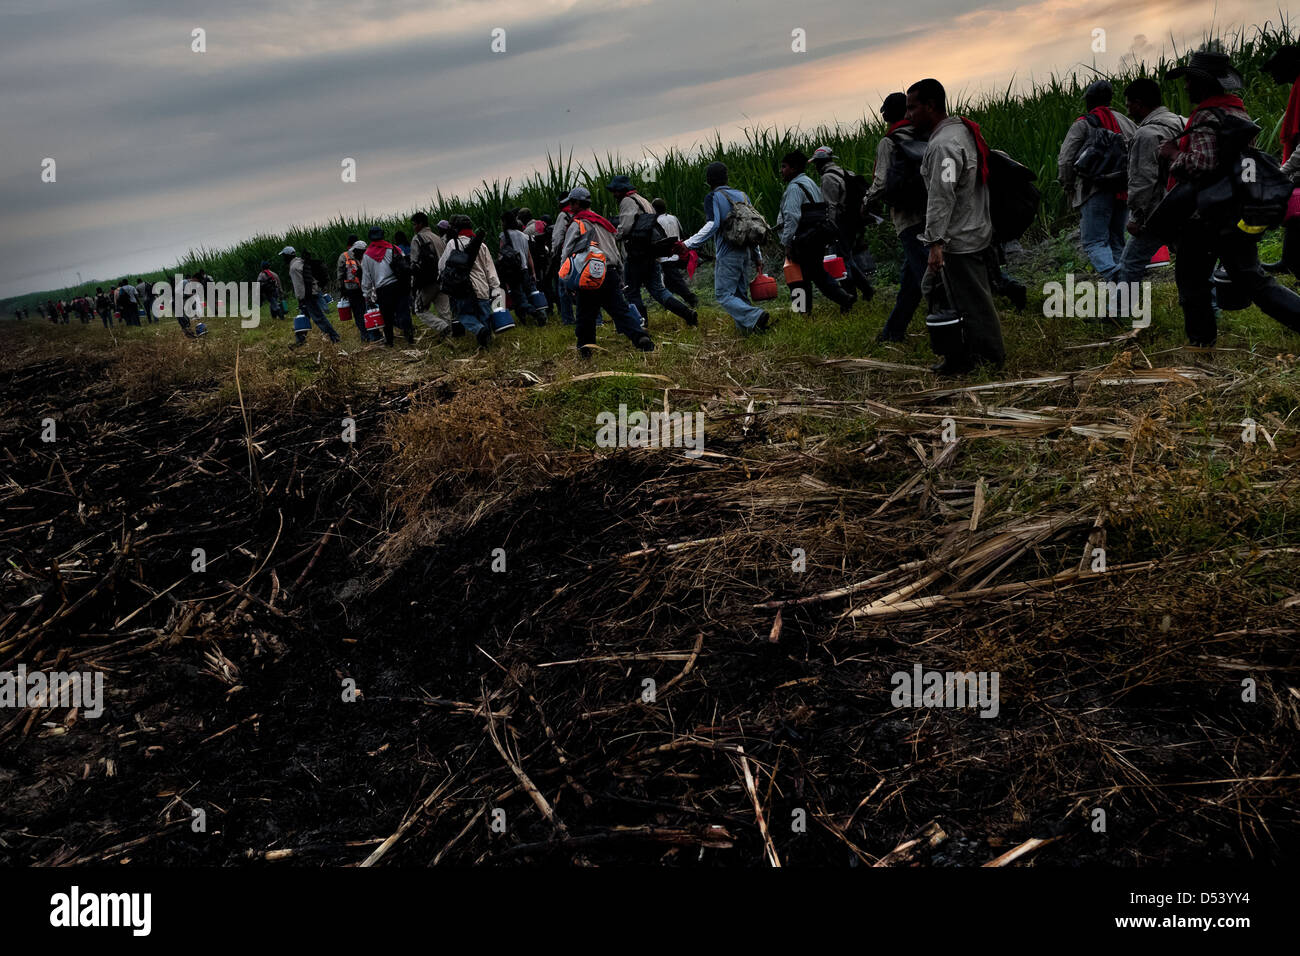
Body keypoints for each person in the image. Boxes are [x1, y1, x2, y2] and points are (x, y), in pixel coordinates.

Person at [1164, 50, 1300, 346]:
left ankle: (1201, 344)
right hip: (1237, 209)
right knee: (1256, 281)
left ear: (1204, 83)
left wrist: (1173, 155)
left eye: (1189, 80)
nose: (1185, 86)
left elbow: (1203, 165)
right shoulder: (1237, 111)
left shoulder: (1205, 116)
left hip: (1205, 215)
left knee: (1192, 281)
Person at [907, 77, 1006, 374]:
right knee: (936, 291)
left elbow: (941, 196)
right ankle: (958, 355)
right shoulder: (962, 131)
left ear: (931, 106)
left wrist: (935, 243)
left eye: (913, 108)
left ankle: (989, 359)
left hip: (957, 239)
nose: (908, 115)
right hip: (972, 229)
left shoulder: (942, 145)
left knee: (972, 301)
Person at [558, 186, 655, 358]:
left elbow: (566, 252)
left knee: (585, 314)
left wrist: (564, 277)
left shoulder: (578, 223)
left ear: (577, 203)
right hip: (609, 271)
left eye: (571, 203)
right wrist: (618, 272)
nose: (570, 206)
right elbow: (615, 251)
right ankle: (640, 338)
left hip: (588, 274)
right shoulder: (603, 222)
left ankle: (585, 349)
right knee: (620, 310)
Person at [1058, 80, 1138, 280]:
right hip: (1123, 189)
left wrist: (1068, 186)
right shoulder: (1126, 122)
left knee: (1094, 242)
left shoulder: (1083, 123)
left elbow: (1066, 159)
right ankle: (1124, 293)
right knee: (1117, 242)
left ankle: (1115, 275)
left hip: (1094, 190)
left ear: (1089, 100)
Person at [865, 92, 929, 342]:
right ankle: (893, 332)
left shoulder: (889, 141)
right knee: (911, 281)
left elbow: (880, 183)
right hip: (931, 212)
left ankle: (950, 325)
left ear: (885, 115)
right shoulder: (923, 134)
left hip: (907, 219)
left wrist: (866, 201)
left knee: (927, 278)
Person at [681, 161, 771, 333]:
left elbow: (713, 225)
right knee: (740, 295)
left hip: (728, 254)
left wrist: (688, 244)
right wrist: (757, 257)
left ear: (708, 180)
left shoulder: (713, 197)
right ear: (726, 177)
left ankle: (755, 316)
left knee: (723, 295)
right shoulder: (743, 196)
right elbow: (751, 228)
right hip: (745, 252)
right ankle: (751, 333)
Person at [1115, 78, 1186, 285]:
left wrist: (1136, 218)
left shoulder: (1146, 134)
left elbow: (1143, 181)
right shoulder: (1182, 122)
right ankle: (1212, 310)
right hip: (1187, 205)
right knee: (1193, 264)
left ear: (1139, 103)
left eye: (1129, 106)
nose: (1128, 112)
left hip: (1159, 212)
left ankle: (1119, 311)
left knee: (1131, 262)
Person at [607, 174, 698, 328]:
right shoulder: (643, 200)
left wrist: (615, 234)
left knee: (632, 291)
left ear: (621, 190)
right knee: (658, 290)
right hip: (651, 253)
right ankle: (687, 313)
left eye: (615, 191)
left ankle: (641, 324)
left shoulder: (627, 201)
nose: (614, 194)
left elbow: (626, 227)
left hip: (636, 255)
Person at [777, 150, 857, 314]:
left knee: (798, 277)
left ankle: (802, 310)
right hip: (816, 235)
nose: (781, 171)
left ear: (793, 169)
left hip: (803, 238)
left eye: (784, 167)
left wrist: (787, 243)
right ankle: (842, 298)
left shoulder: (794, 188)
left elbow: (792, 216)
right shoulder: (809, 182)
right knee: (816, 273)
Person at [811, 145, 875, 301]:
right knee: (848, 257)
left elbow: (830, 206)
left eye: (815, 164)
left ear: (819, 163)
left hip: (842, 224)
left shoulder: (827, 178)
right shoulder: (846, 173)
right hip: (855, 221)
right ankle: (867, 289)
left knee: (842, 259)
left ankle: (850, 294)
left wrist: (829, 228)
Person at [437, 214, 505, 349]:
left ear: (456, 228)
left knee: (463, 314)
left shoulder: (453, 243)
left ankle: (479, 330)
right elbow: (490, 269)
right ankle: (486, 344)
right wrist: (495, 287)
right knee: (484, 316)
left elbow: (441, 265)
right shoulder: (482, 245)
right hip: (482, 286)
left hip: (463, 288)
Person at [360, 227, 414, 347]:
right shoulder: (394, 248)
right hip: (399, 285)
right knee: (404, 312)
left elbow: (366, 278)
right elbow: (405, 265)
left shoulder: (367, 256)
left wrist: (367, 294)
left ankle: (390, 341)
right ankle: (409, 337)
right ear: (383, 235)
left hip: (383, 289)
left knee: (387, 317)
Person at [282, 245, 341, 346]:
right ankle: (300, 340)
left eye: (283, 256)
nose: (283, 258)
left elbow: (299, 286)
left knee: (319, 318)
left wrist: (301, 299)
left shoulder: (293, 268)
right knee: (302, 317)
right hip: (313, 292)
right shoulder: (300, 261)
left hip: (307, 296)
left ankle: (334, 336)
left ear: (287, 256)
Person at [498, 210, 547, 326]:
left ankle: (535, 314)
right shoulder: (523, 235)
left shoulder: (504, 236)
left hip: (512, 271)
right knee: (528, 294)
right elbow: (528, 255)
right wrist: (533, 272)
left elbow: (501, 255)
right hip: (524, 270)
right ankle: (529, 317)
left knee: (518, 298)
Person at [409, 212, 453, 336]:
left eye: (414, 224)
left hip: (428, 280)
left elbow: (414, 263)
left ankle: (442, 327)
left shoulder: (418, 238)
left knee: (420, 309)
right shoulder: (437, 237)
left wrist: (414, 284)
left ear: (420, 224)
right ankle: (449, 333)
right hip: (443, 278)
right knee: (444, 310)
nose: (414, 227)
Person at [652, 197, 698, 308]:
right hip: (676, 254)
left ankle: (691, 299)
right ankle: (669, 303)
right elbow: (681, 234)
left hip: (665, 257)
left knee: (676, 280)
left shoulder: (655, 221)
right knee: (670, 282)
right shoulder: (673, 218)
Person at [339, 240, 376, 341]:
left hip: (363, 289)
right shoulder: (344, 257)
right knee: (358, 313)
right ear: (356, 250)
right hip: (351, 290)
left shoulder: (363, 257)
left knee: (366, 311)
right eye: (361, 251)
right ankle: (365, 335)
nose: (363, 253)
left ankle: (369, 334)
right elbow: (340, 274)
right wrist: (342, 290)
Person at [551, 192, 578, 326]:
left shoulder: (563, 215)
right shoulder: (580, 213)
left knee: (563, 288)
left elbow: (557, 238)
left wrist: (554, 253)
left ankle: (568, 319)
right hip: (582, 255)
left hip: (567, 255)